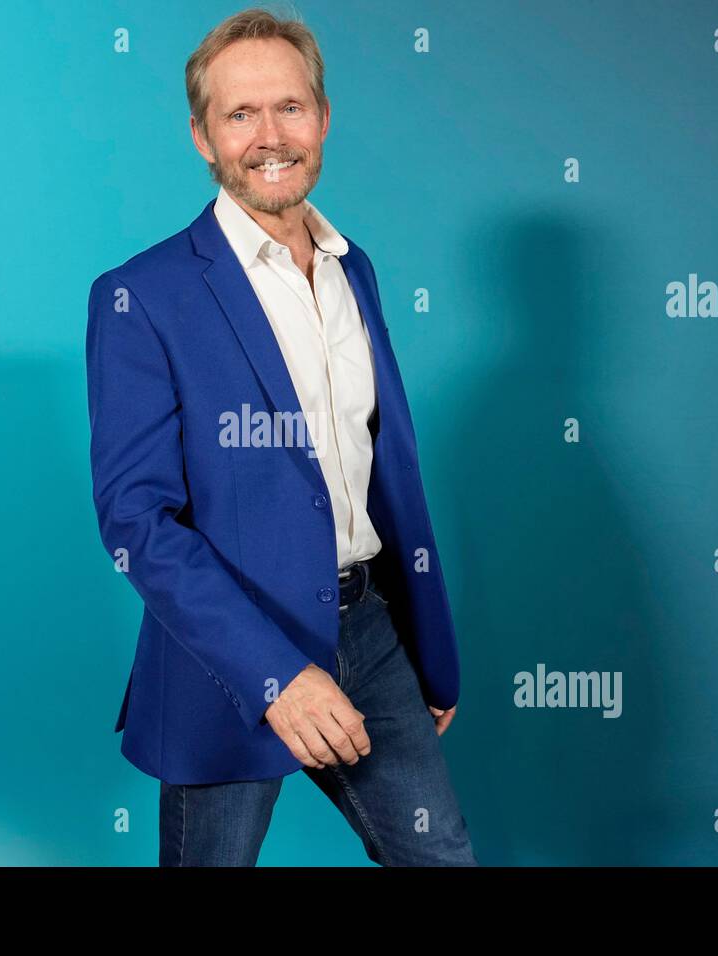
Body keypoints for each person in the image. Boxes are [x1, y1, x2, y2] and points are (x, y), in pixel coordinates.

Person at [85, 7, 477, 866]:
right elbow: (137, 523)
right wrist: (277, 676)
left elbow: (383, 472)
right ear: (202, 136)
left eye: (290, 108)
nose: (270, 136)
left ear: (324, 118)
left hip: (370, 630)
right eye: (240, 114)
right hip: (226, 651)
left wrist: (425, 648)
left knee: (441, 856)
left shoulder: (353, 269)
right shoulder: (140, 296)